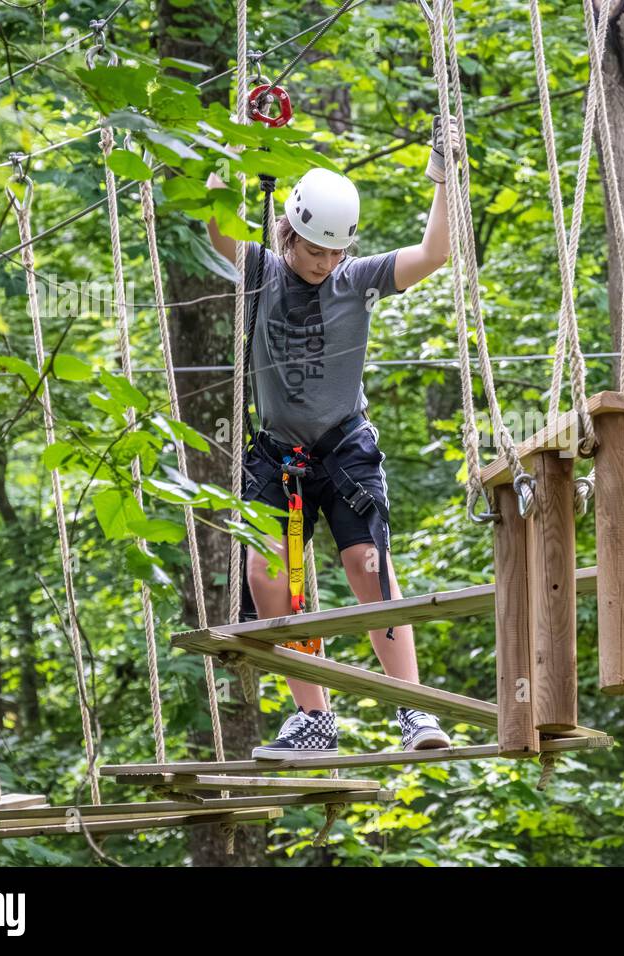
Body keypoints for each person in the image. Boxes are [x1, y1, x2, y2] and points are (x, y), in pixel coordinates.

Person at [205, 118, 457, 759]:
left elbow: (434, 255)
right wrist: (230, 158)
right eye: (315, 251)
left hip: (344, 449)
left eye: (334, 253)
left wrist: (445, 175)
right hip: (276, 453)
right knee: (268, 574)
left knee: (366, 566)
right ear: (289, 233)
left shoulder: (357, 279)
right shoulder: (261, 270)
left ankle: (415, 710)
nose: (324, 264)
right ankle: (315, 718)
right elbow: (217, 225)